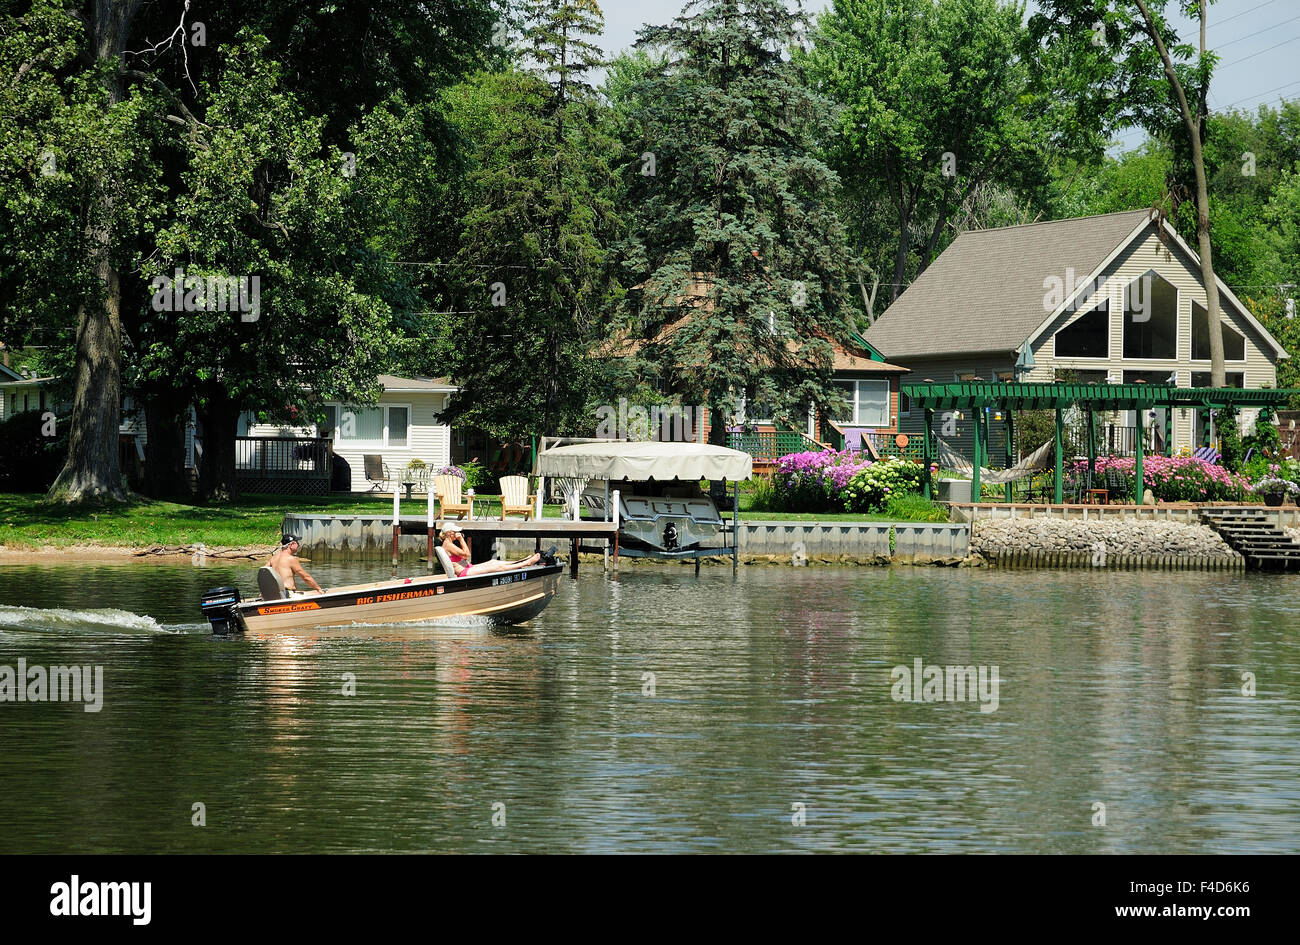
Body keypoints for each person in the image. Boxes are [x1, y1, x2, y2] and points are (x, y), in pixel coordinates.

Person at [440, 524, 541, 578]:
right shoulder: (448, 545)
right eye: (456, 531)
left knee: (494, 562)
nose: (458, 533)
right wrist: (461, 540)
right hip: (464, 572)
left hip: (468, 567)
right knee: (498, 567)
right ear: (449, 533)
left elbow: (464, 556)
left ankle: (522, 561)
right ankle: (526, 563)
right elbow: (467, 555)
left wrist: (460, 539)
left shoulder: (448, 543)